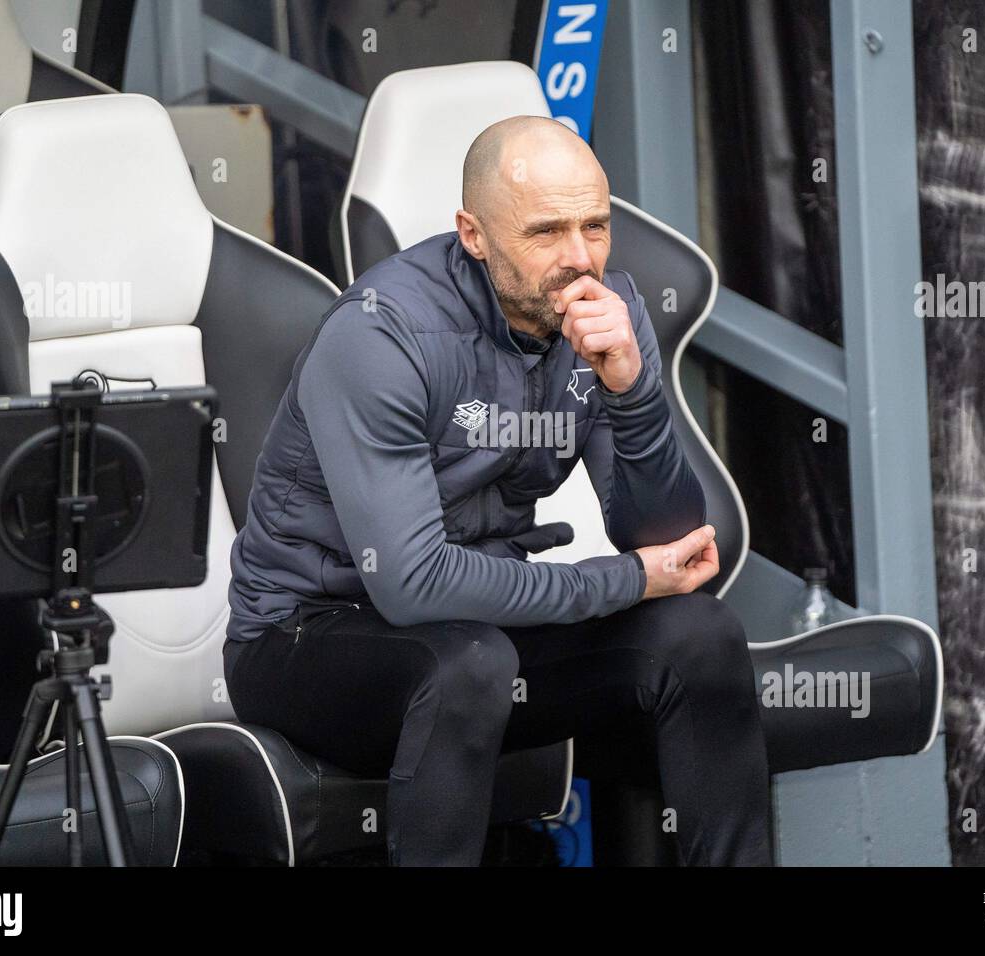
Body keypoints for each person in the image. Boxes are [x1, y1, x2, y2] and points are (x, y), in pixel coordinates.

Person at [223, 115, 771, 866]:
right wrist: (623, 581)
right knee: (469, 663)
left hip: (483, 631)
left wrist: (631, 393)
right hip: (305, 637)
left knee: (699, 638)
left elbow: (662, 538)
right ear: (474, 235)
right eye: (547, 232)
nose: (580, 260)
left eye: (596, 227)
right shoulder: (382, 335)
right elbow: (412, 587)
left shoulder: (609, 313)